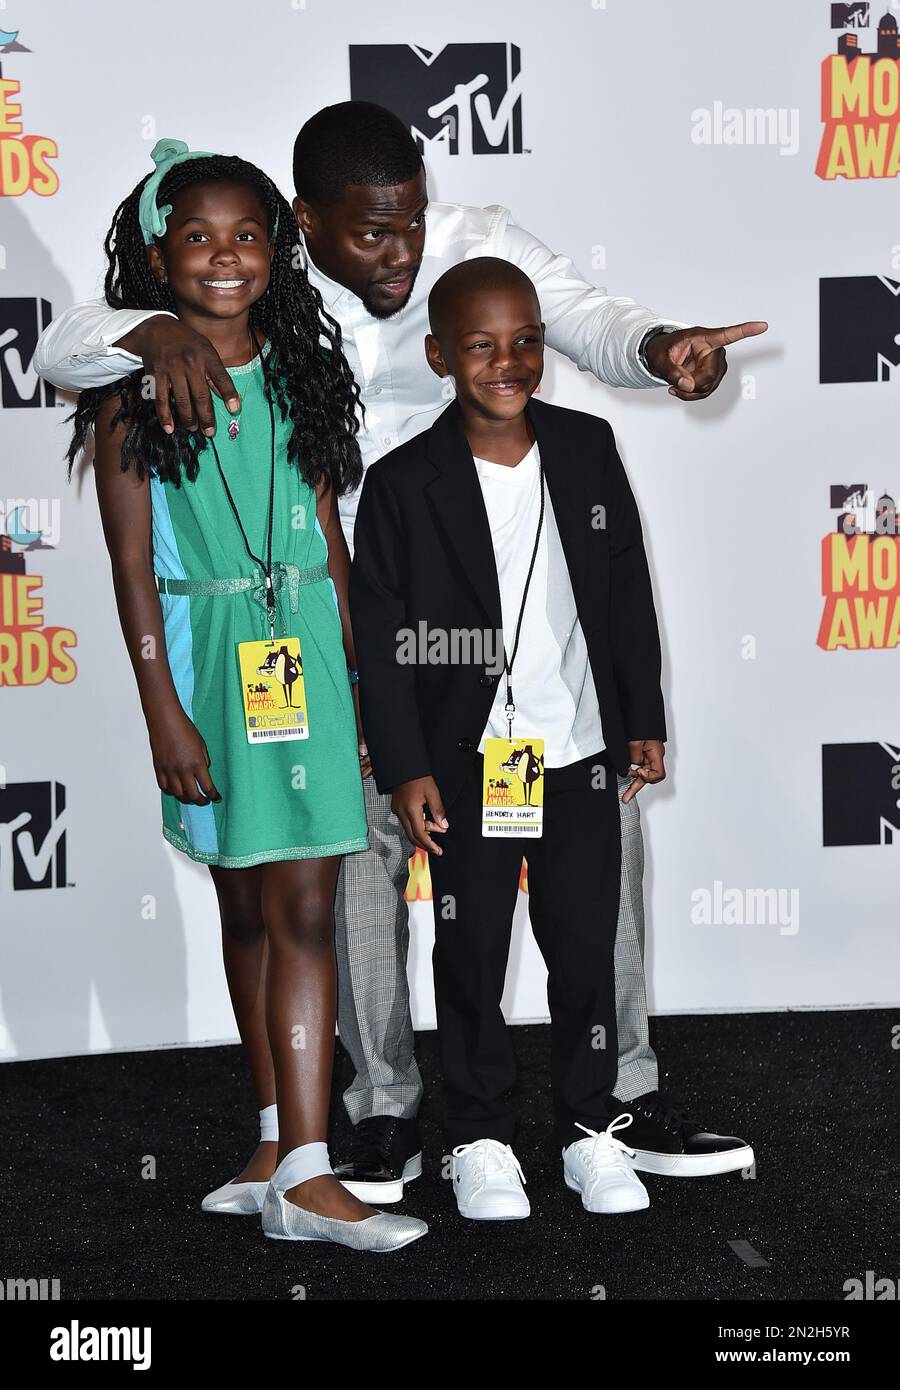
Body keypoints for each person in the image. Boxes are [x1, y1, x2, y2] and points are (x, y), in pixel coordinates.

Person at [36, 101, 760, 1200]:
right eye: (371, 235)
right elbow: (61, 348)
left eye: (412, 224)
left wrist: (659, 349)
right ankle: (380, 1118)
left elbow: (583, 315)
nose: (402, 253)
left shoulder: (476, 242)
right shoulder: (263, 291)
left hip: (492, 614)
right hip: (350, 619)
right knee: (363, 855)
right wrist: (147, 331)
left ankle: (615, 1094)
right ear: (306, 224)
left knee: (591, 841)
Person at [67, 137, 426, 1251]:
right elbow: (132, 569)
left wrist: (366, 684)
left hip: (307, 651)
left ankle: (311, 1175)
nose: (225, 258)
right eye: (197, 239)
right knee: (242, 905)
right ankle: (277, 1140)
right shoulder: (131, 390)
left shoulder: (305, 371)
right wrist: (162, 710)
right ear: (156, 255)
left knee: (306, 902)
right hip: (208, 655)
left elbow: (326, 533)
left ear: (279, 248)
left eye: (247, 237)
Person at [351, 256, 669, 1217]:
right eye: (482, 346)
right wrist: (405, 766)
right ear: (441, 354)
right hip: (470, 761)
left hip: (575, 754)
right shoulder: (405, 480)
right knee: (471, 955)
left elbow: (623, 594)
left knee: (585, 954)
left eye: (526, 340)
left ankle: (591, 1129)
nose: (509, 362)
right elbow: (387, 631)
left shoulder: (586, 446)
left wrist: (641, 720)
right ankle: (479, 1135)